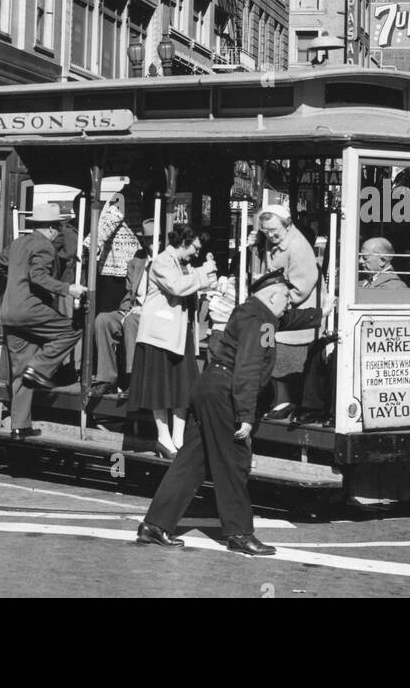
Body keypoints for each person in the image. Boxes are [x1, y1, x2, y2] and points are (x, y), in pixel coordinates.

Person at [136, 275, 292, 556]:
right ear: (272, 297)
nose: (289, 304)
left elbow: (289, 320)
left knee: (194, 459)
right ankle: (239, 533)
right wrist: (245, 414)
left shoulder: (252, 312)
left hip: (209, 386)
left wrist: (321, 313)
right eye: (286, 299)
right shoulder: (262, 321)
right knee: (233, 461)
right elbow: (249, 367)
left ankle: (155, 525)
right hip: (226, 392)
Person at [0, 203, 88, 438]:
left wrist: (16, 281)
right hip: (30, 310)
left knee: (20, 371)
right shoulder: (44, 246)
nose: (58, 233)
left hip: (9, 313)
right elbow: (38, 276)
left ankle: (20, 426)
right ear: (50, 228)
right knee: (72, 330)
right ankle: (40, 368)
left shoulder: (17, 243)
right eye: (57, 227)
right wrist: (68, 289)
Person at [127, 223, 217, 458]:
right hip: (160, 334)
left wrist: (207, 276)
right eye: (194, 248)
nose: (195, 254)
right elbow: (177, 286)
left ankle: (177, 438)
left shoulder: (182, 264)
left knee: (182, 387)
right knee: (160, 389)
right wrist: (204, 271)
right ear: (184, 242)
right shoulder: (162, 261)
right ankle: (163, 438)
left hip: (178, 334)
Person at [249, 204, 320, 421]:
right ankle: (277, 399)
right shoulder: (273, 242)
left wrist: (278, 304)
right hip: (275, 311)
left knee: (280, 355)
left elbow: (302, 286)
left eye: (274, 230)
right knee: (266, 347)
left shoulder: (297, 247)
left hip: (292, 313)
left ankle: (284, 401)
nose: (270, 235)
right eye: (266, 231)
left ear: (287, 225)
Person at [90, 242, 150, 396]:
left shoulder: (165, 262)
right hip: (133, 309)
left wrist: (145, 309)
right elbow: (130, 293)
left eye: (154, 238)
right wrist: (124, 310)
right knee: (103, 320)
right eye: (147, 239)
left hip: (152, 312)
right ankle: (106, 378)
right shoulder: (137, 261)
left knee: (131, 322)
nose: (151, 243)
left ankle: (133, 380)